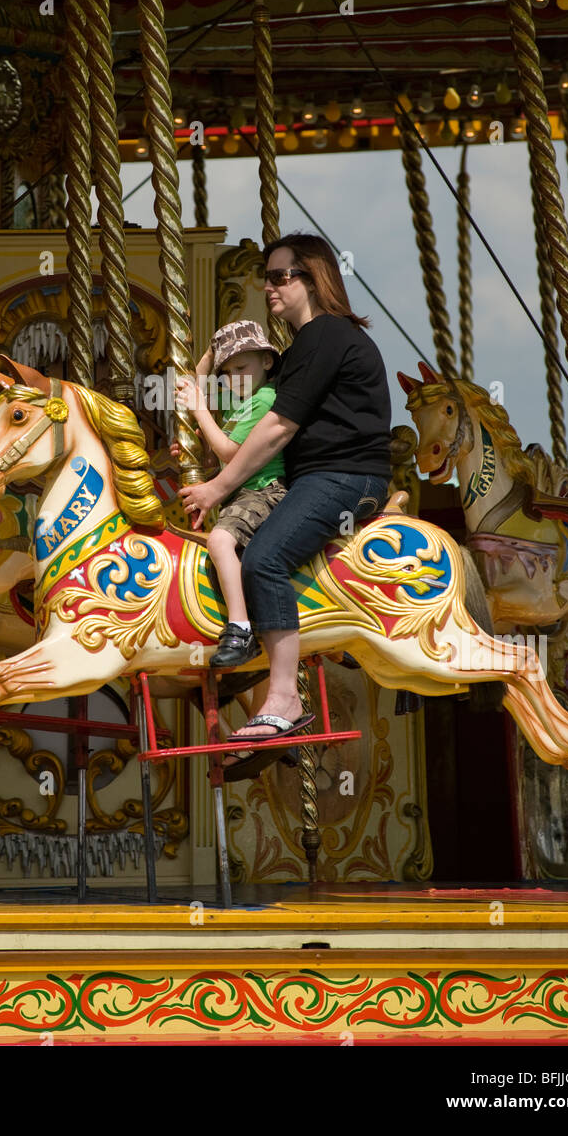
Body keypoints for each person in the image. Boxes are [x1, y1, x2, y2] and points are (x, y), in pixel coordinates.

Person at [180, 233, 392, 775]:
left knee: (265, 559)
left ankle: (285, 700)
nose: (269, 287)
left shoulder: (326, 336)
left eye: (279, 276)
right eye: (266, 278)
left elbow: (275, 429)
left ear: (312, 277)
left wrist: (216, 488)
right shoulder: (303, 348)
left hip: (345, 477)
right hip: (315, 480)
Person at [176, 320, 287, 668]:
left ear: (266, 362)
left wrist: (199, 411)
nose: (234, 377)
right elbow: (187, 382)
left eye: (241, 367)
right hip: (242, 495)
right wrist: (212, 350)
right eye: (227, 372)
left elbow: (228, 452)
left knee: (220, 542)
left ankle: (240, 629)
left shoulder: (264, 398)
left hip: (263, 493)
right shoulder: (240, 399)